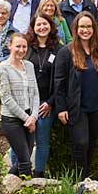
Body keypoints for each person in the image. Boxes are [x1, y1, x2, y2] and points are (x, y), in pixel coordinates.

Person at [55, 11, 98, 178]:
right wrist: (61, 107)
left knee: (91, 143)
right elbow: (59, 81)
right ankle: (77, 180)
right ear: (76, 29)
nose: (85, 30)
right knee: (81, 142)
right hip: (77, 106)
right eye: (82, 27)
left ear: (94, 28)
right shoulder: (67, 51)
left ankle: (86, 178)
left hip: (97, 106)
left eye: (88, 27)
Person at [0, 32, 40, 178]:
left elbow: (35, 93)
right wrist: (26, 118)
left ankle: (6, 184)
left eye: (24, 47)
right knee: (25, 161)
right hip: (12, 119)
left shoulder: (29, 66)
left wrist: (33, 117)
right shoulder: (2, 68)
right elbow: (6, 98)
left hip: (30, 118)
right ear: (10, 46)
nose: (21, 50)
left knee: (23, 158)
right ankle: (29, 190)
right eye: (18, 46)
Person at [22, 14, 59, 177]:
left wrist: (51, 102)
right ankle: (19, 171)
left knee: (42, 139)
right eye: (38, 25)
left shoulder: (58, 49)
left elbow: (61, 79)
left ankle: (39, 174)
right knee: (23, 138)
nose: (42, 27)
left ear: (50, 26)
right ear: (33, 27)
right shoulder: (27, 48)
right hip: (26, 102)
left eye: (45, 24)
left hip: (46, 103)